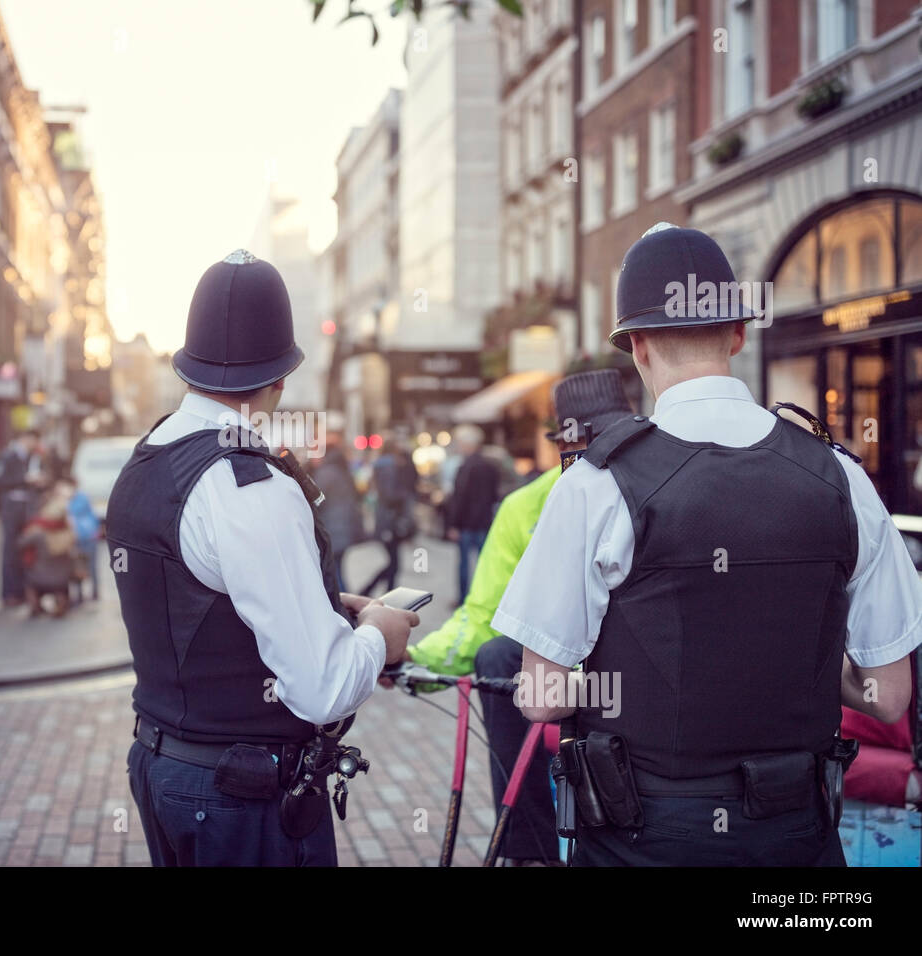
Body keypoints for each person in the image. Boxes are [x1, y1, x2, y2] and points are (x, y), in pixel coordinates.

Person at [493, 223, 922, 866]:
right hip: (797, 833)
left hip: (647, 836)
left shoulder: (595, 484)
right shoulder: (841, 476)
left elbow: (544, 695)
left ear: (637, 347)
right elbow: (888, 696)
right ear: (738, 334)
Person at [106, 249, 420, 867]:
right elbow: (324, 689)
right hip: (240, 795)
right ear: (280, 378)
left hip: (163, 767)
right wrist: (381, 635)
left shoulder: (147, 457)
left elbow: (206, 599)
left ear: (188, 367)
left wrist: (328, 607)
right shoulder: (251, 487)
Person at [389, 369, 634, 866]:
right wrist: (418, 658)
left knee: (500, 655)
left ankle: (529, 852)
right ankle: (531, 848)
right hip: (644, 684)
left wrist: (415, 658)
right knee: (502, 656)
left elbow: (486, 616)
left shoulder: (537, 500)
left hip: (574, 684)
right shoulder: (666, 478)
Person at [444, 424, 501, 604]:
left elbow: (459, 498)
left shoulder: (466, 467)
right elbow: (494, 495)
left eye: (460, 443)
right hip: (484, 521)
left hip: (467, 523)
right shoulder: (490, 466)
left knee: (464, 565)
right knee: (485, 564)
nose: (459, 446)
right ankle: (485, 597)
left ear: (469, 444)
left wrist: (453, 524)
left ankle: (463, 599)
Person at [361, 432, 418, 596]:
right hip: (390, 519)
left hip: (387, 518)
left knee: (393, 562)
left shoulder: (384, 464)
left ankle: (381, 592)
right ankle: (377, 592)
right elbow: (390, 494)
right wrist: (405, 494)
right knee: (394, 563)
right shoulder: (389, 465)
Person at [17, 483, 84, 617]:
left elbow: (20, 544)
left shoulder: (37, 531)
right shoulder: (68, 532)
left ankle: (34, 604)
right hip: (62, 579)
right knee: (61, 579)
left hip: (38, 577)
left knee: (27, 578)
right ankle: (61, 603)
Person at [0, 429, 40, 607]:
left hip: (23, 507)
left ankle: (21, 591)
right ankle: (9, 593)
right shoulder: (9, 455)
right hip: (12, 507)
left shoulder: (27, 457)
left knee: (22, 548)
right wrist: (24, 479)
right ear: (26, 439)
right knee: (10, 549)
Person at [312, 443, 364, 593]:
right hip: (345, 530)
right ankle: (346, 604)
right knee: (338, 571)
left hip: (332, 530)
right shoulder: (343, 471)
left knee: (334, 575)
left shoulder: (326, 473)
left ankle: (344, 607)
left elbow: (316, 500)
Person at [65, 477, 101, 602]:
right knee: (77, 566)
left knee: (91, 566)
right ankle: (79, 595)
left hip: (88, 536)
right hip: (77, 538)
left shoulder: (81, 498)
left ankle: (95, 593)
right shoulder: (69, 499)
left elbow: (73, 512)